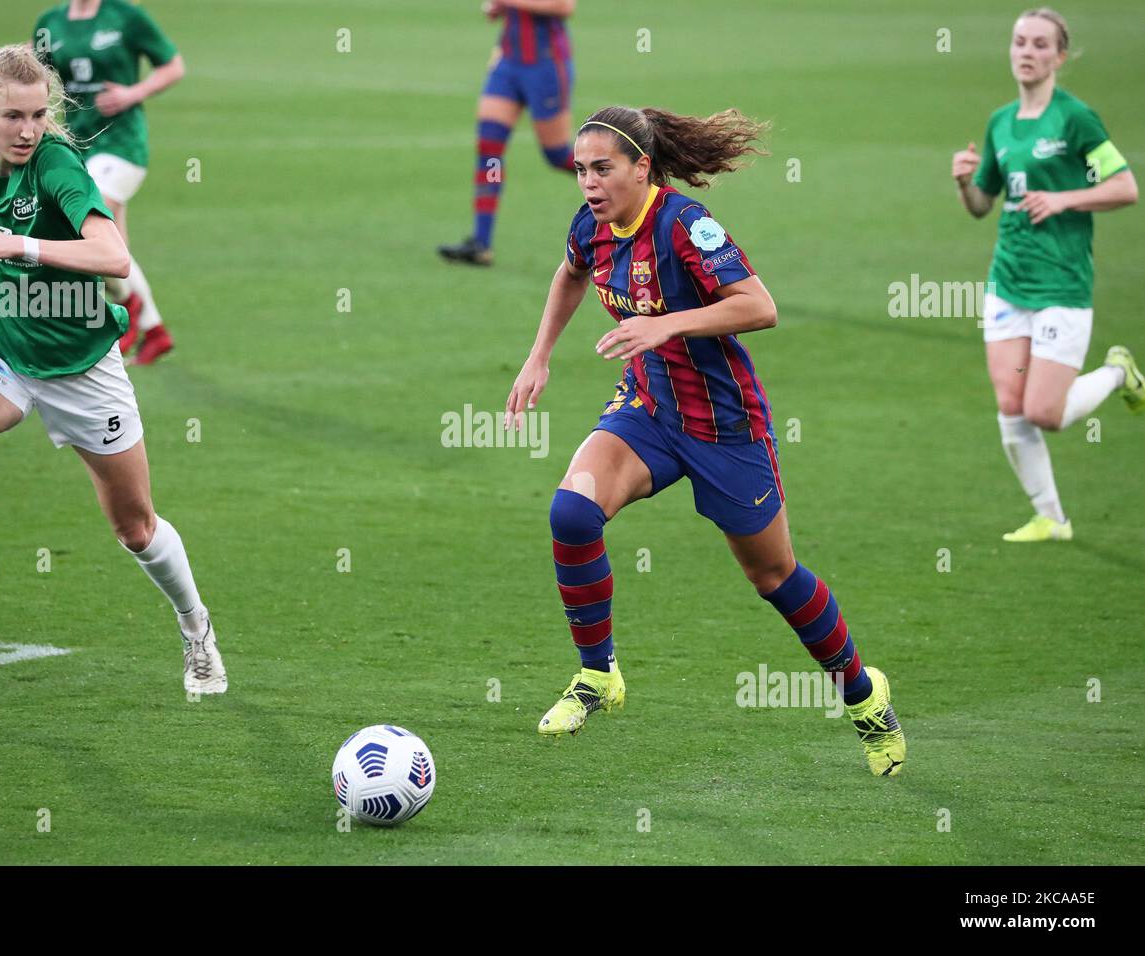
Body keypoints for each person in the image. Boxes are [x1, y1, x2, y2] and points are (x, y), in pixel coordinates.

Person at [505, 105, 906, 775]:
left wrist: (669, 325)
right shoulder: (592, 227)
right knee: (572, 511)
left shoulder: (687, 225)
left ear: (641, 167)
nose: (589, 184)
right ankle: (598, 675)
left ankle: (864, 697)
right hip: (649, 409)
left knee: (773, 576)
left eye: (602, 169)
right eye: (580, 170)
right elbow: (571, 272)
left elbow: (759, 305)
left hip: (723, 426)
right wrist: (539, 353)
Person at [0, 44, 225, 695]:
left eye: (38, 115)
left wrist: (13, 243)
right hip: (0, 348)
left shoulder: (56, 163)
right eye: (13, 116)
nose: (28, 130)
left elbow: (114, 255)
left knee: (134, 528)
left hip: (81, 366)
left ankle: (197, 631)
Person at [951, 7, 1140, 542]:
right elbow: (983, 204)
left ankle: (1117, 373)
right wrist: (965, 182)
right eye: (1019, 42)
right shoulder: (1000, 121)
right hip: (1008, 280)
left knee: (1044, 412)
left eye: (1039, 44)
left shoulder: (1076, 119)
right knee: (1010, 405)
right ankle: (1052, 518)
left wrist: (1064, 198)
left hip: (1061, 282)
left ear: (1059, 56)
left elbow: (1125, 187)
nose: (1027, 52)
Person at [34, 0, 186, 365]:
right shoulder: (50, 22)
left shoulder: (125, 16)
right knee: (113, 243)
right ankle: (155, 330)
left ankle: (127, 306)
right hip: (78, 146)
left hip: (122, 146)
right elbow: (34, 78)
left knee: (83, 227)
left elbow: (174, 66)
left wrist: (132, 94)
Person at [438, 0, 577, 266]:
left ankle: (628, 181)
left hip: (546, 64)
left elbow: (563, 6)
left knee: (557, 155)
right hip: (508, 61)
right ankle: (481, 243)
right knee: (489, 148)